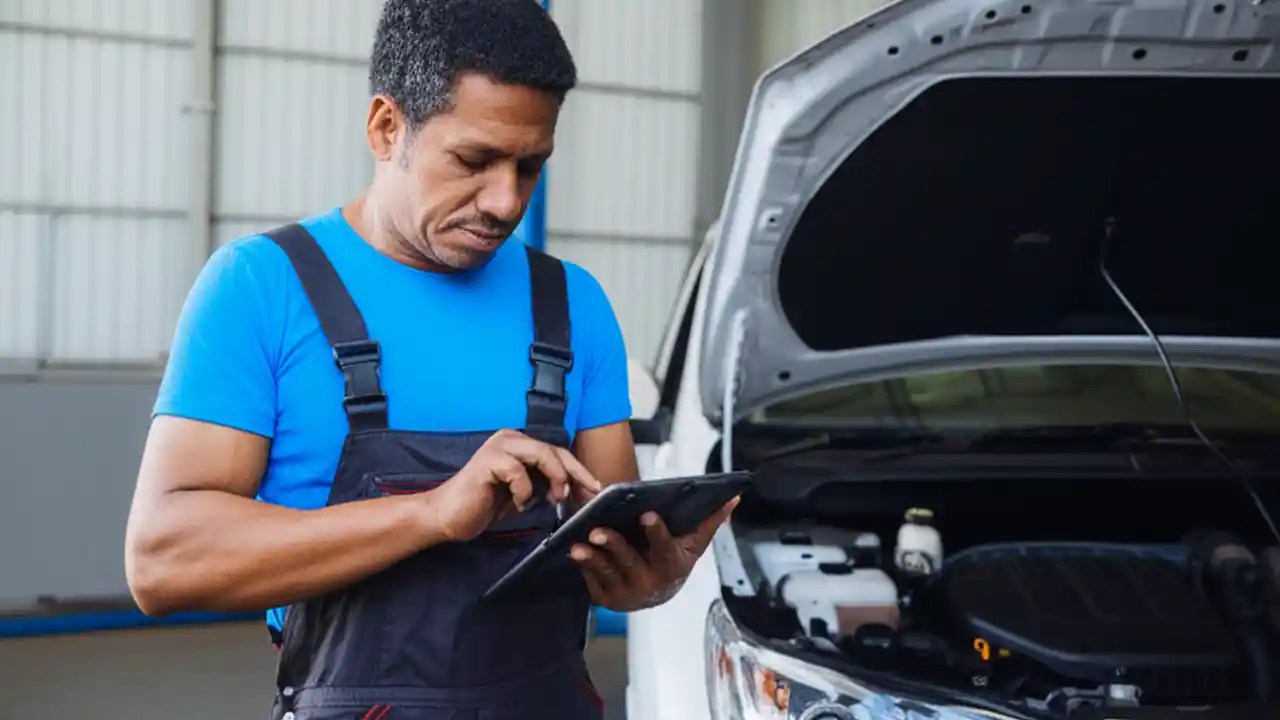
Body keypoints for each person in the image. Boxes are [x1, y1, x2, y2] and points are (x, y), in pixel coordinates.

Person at [122, 1, 736, 718]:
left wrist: (647, 579)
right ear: (387, 128)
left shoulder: (573, 305)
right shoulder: (260, 288)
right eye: (474, 161)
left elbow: (614, 551)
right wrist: (435, 514)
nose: (505, 201)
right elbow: (162, 563)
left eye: (530, 166)